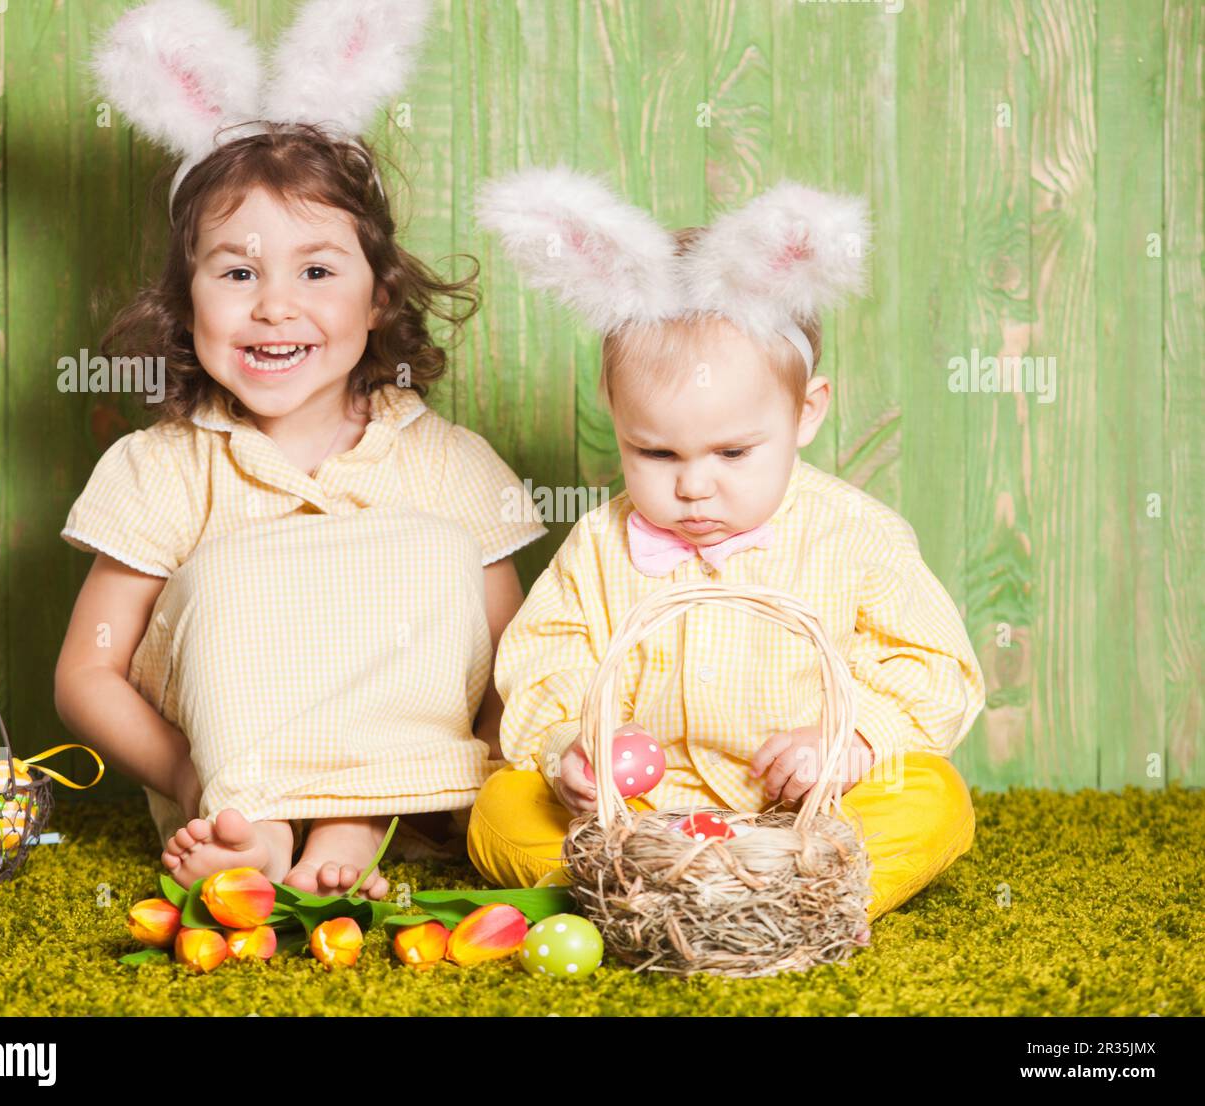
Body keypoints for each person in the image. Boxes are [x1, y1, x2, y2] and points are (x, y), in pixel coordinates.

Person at [54, 0, 545, 898]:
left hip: (415, 786)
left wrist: (491, 795)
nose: (275, 305)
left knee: (431, 552)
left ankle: (361, 819)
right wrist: (197, 785)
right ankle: (266, 827)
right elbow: (89, 671)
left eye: (317, 270)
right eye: (237, 272)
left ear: (378, 298)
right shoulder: (159, 468)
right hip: (228, 789)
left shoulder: (452, 464)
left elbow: (513, 664)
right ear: (186, 298)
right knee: (239, 567)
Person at [467, 167, 985, 925]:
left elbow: (937, 665)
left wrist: (849, 742)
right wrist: (575, 744)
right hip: (639, 821)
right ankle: (650, 896)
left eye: (733, 454)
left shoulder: (858, 535)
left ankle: (801, 898)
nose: (694, 488)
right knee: (500, 807)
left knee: (936, 800)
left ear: (807, 413)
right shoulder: (600, 542)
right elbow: (545, 655)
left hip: (808, 819)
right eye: (657, 455)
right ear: (615, 416)